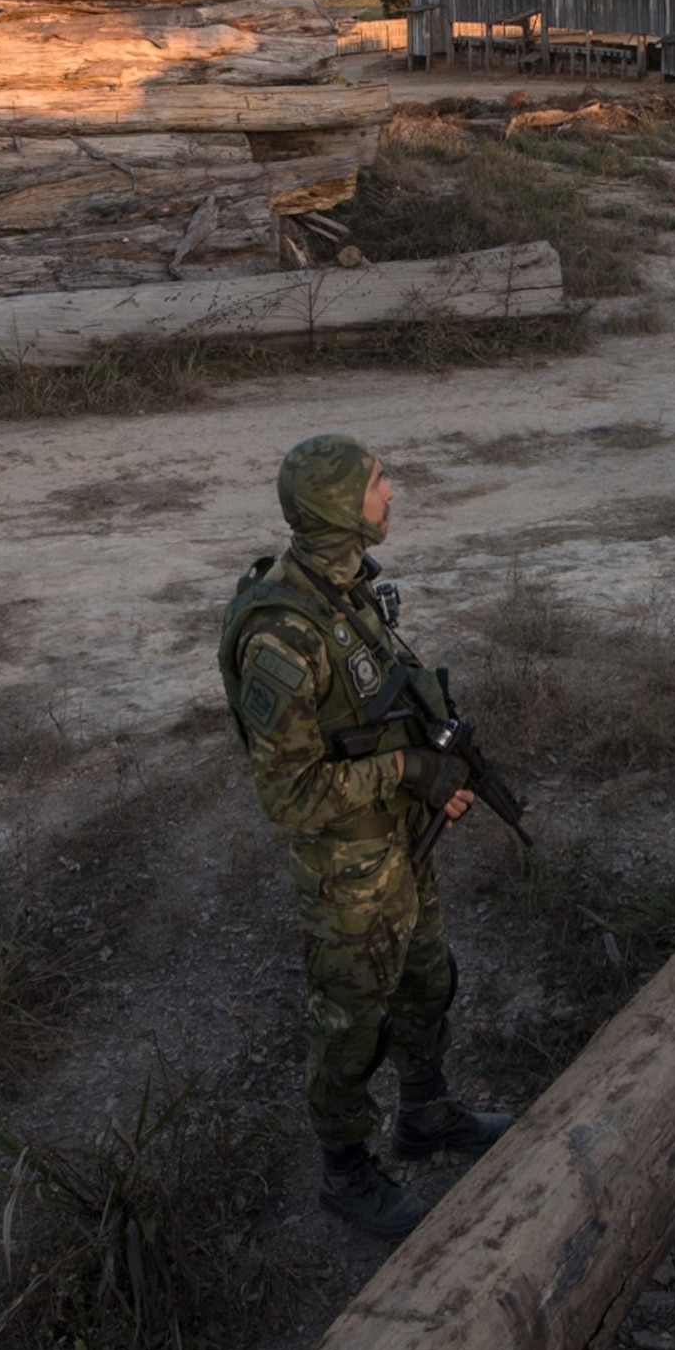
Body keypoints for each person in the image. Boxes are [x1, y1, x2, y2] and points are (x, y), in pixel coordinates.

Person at [218, 433, 512, 1239]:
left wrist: (435, 773)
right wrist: (410, 771)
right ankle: (345, 1175)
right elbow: (291, 795)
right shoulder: (282, 636)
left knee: (428, 981)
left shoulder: (344, 589)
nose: (392, 492)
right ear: (338, 506)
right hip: (346, 867)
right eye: (379, 482)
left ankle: (425, 1113)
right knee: (350, 1024)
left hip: (401, 843)